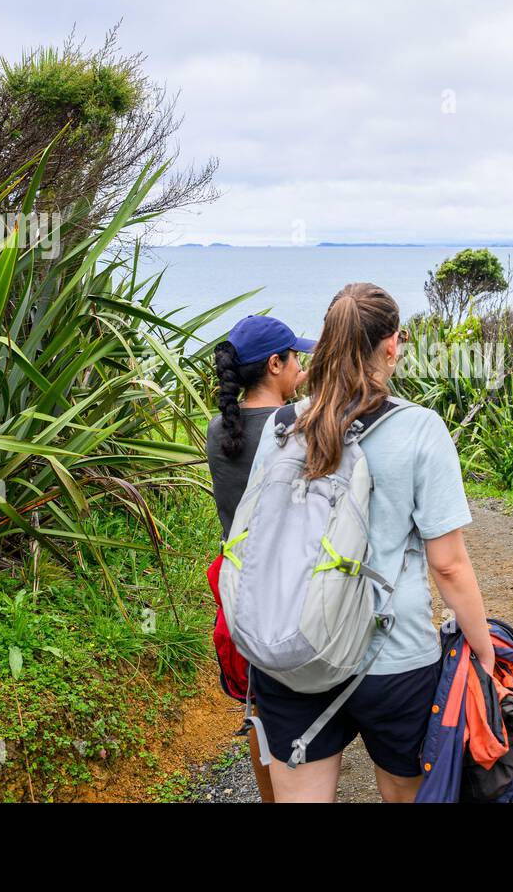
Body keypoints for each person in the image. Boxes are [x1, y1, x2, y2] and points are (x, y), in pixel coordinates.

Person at [245, 281, 495, 803]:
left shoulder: (283, 425)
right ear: (392, 345)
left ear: (326, 342)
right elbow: (447, 565)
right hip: (392, 654)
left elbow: (250, 537)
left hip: (294, 648)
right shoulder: (421, 429)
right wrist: (483, 648)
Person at [206, 314, 315, 802]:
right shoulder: (293, 429)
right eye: (294, 358)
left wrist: (293, 384)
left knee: (259, 707)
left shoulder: (218, 430)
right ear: (275, 363)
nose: (301, 365)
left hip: (240, 593)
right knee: (304, 706)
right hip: (292, 591)